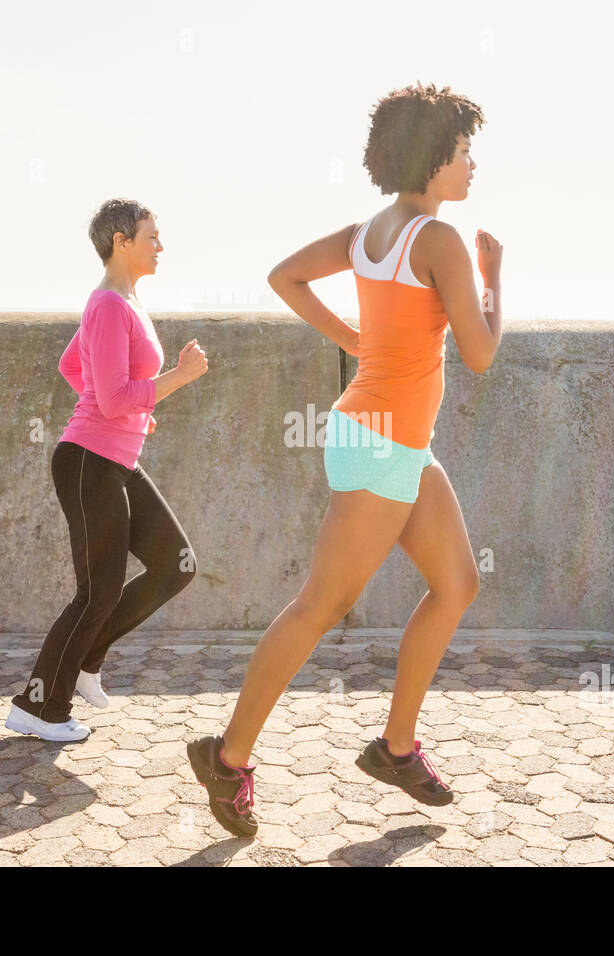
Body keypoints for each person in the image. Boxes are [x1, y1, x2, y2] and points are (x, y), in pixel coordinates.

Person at [187, 84, 503, 836]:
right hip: (383, 442)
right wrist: (496, 280)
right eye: (464, 152)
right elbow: (483, 354)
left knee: (456, 583)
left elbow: (283, 276)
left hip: (386, 438)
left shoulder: (370, 232)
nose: (472, 165)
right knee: (320, 606)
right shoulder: (438, 240)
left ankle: (396, 747)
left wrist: (352, 340)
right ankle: (227, 761)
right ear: (432, 155)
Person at [6, 198, 208, 742]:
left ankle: (88, 660)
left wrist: (132, 412)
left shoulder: (127, 301)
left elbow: (72, 366)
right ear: (121, 241)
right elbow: (115, 399)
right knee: (97, 592)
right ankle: (38, 706)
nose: (160, 245)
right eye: (151, 236)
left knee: (177, 564)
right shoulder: (108, 305)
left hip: (116, 458)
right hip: (88, 461)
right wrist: (179, 378)